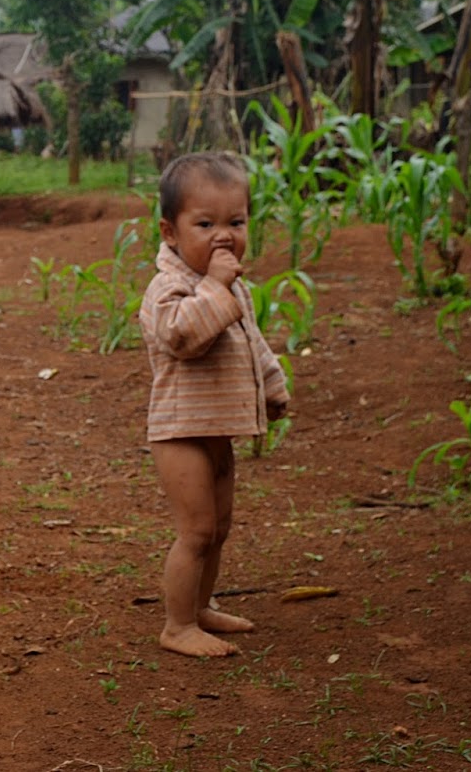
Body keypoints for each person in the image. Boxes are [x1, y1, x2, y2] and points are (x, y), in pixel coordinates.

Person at [138, 151, 288, 658]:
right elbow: (184, 336)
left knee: (219, 528)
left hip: (217, 427)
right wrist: (216, 286)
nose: (224, 235)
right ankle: (177, 625)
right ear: (170, 232)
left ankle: (201, 607)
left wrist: (272, 386)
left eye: (236, 221)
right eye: (205, 223)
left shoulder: (230, 289)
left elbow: (251, 342)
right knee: (196, 529)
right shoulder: (169, 288)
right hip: (179, 432)